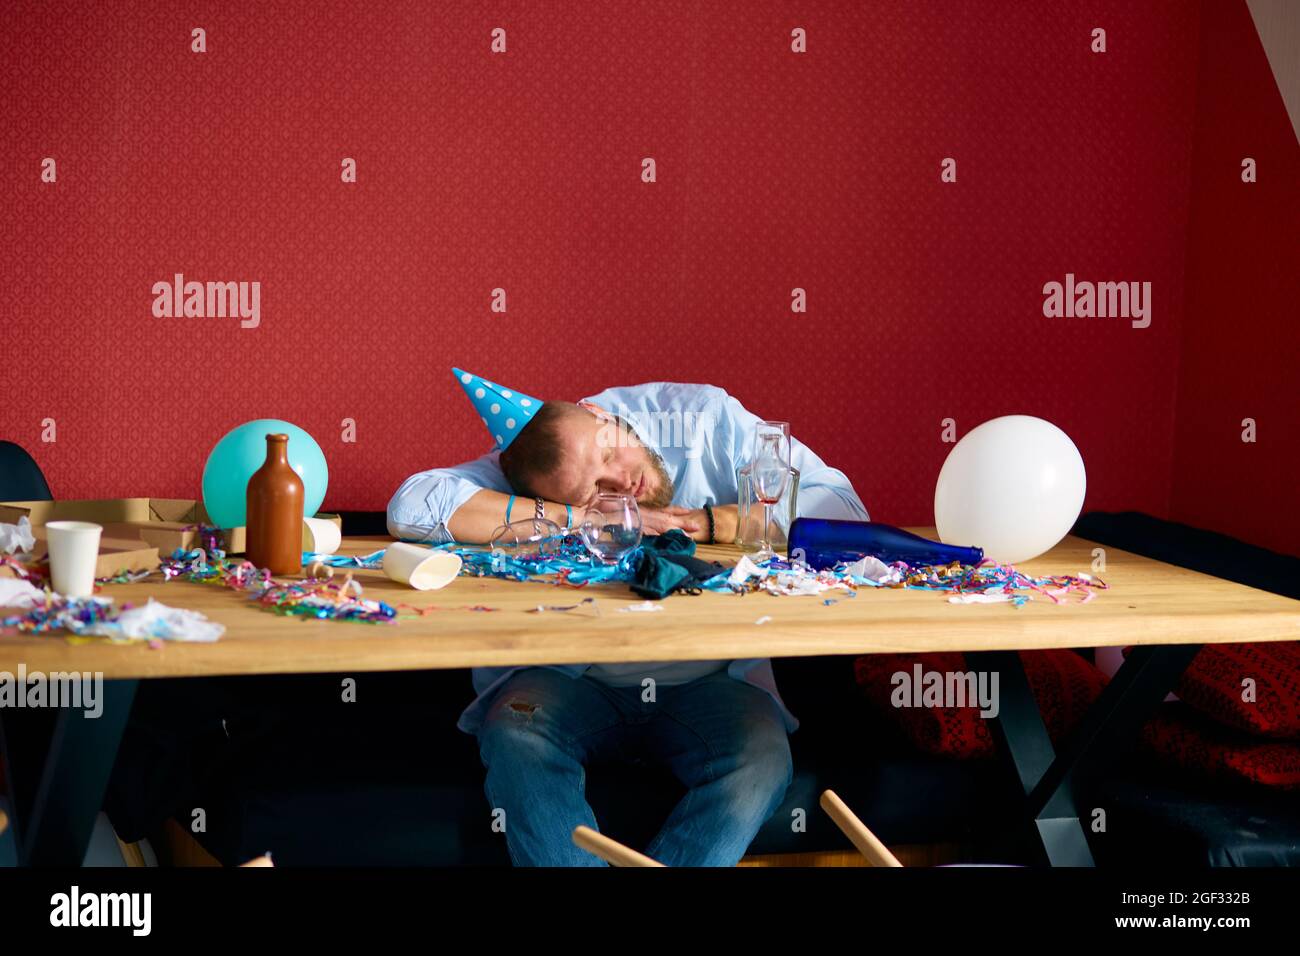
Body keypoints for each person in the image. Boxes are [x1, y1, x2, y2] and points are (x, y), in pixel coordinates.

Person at [387, 368, 870, 865]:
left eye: (609, 452)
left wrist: (712, 521)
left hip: (713, 682)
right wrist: (588, 517)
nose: (623, 481)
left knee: (761, 761)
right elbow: (412, 506)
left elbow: (845, 510)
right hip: (571, 678)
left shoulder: (702, 420)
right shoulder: (537, 463)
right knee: (516, 736)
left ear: (600, 415)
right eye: (594, 486)